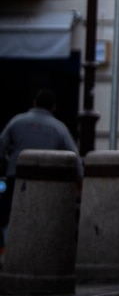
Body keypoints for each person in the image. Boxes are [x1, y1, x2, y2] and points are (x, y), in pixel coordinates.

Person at [0, 89, 79, 253]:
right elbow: (74, 157)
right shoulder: (59, 128)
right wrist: (79, 179)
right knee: (42, 217)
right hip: (48, 182)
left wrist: (7, 161)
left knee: (10, 215)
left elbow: (1, 146)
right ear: (53, 107)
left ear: (35, 102)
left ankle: (10, 249)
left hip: (16, 176)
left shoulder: (17, 121)